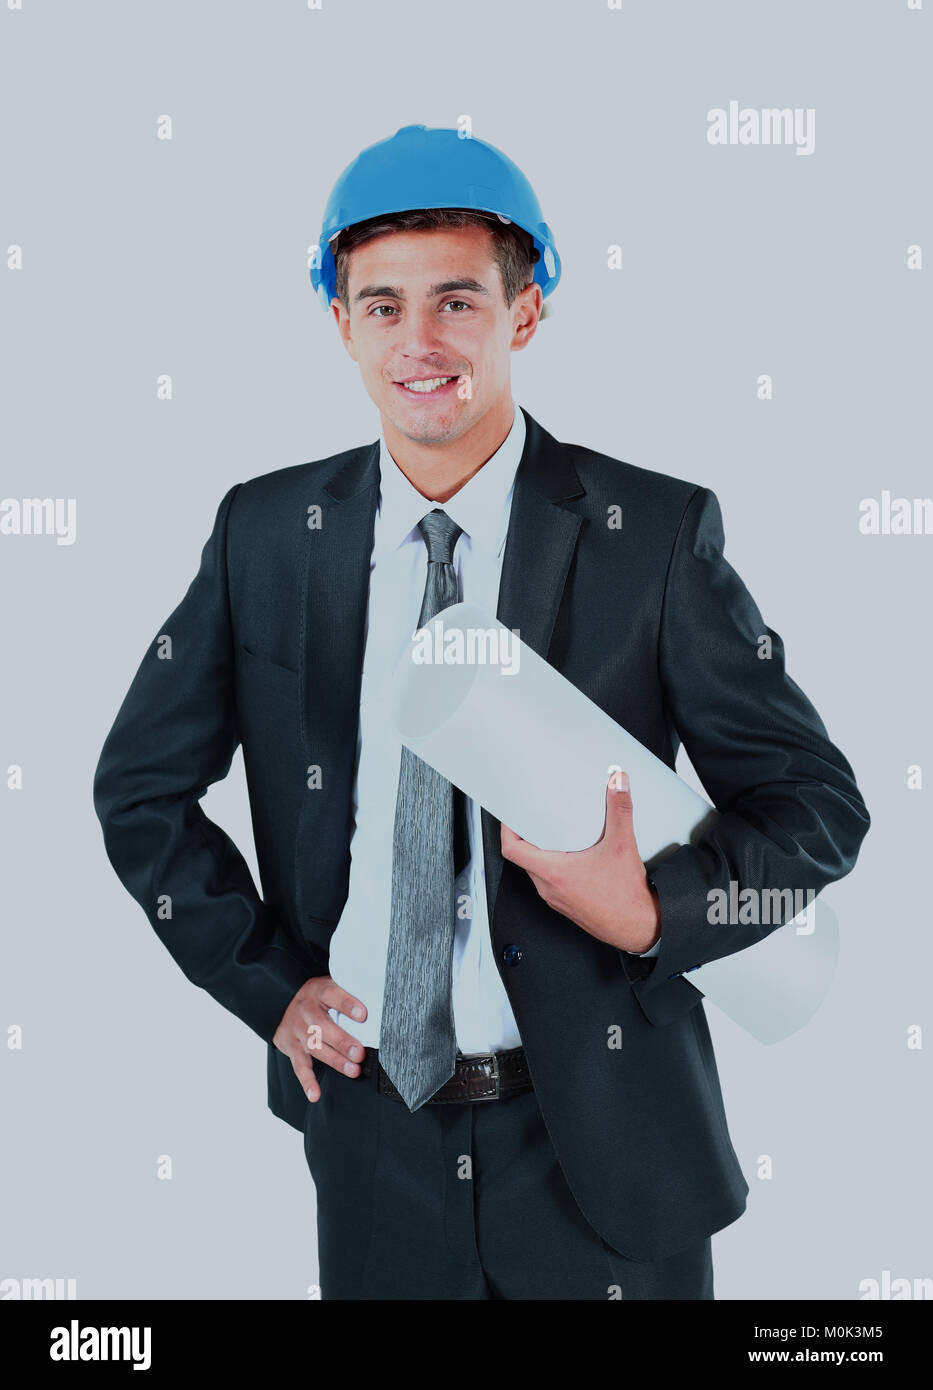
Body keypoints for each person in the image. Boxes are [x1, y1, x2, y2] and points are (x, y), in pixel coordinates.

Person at [93, 124, 871, 1301]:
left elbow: (818, 806)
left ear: (527, 312)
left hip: (607, 1150)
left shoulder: (648, 537)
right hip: (371, 1137)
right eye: (382, 305)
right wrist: (269, 987)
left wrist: (654, 906)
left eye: (457, 300)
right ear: (341, 323)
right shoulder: (265, 533)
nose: (420, 342)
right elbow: (140, 789)